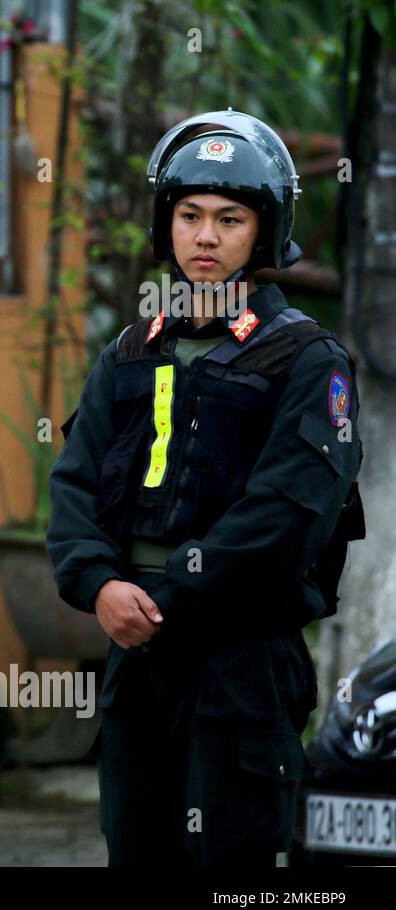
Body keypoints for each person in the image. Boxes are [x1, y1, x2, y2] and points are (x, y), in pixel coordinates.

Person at [47, 110, 366, 865]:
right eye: (189, 216)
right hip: (137, 657)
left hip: (242, 666)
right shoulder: (130, 353)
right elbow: (75, 487)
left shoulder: (309, 361)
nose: (206, 237)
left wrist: (168, 599)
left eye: (230, 218)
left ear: (265, 231)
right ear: (168, 225)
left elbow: (288, 516)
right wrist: (97, 586)